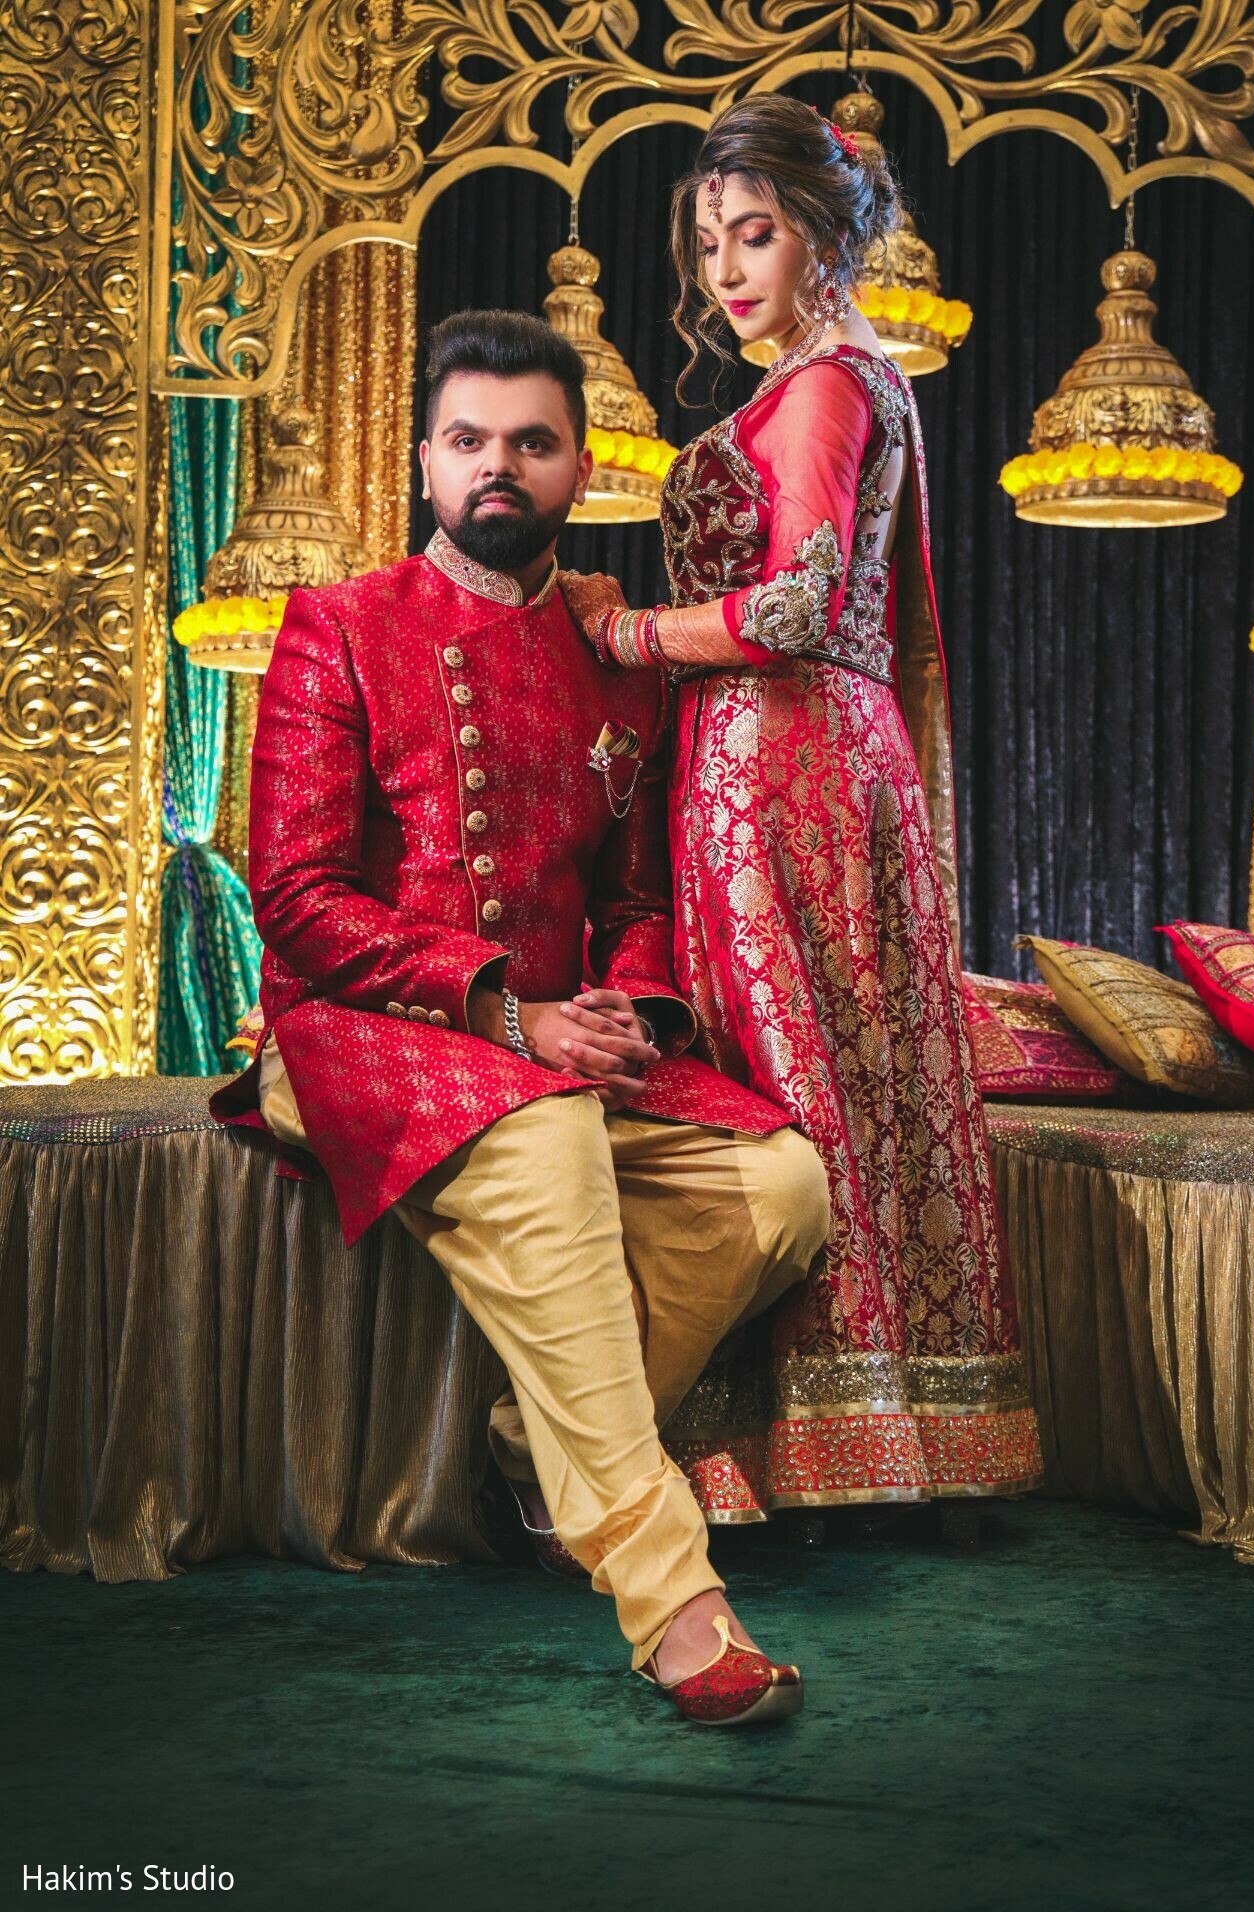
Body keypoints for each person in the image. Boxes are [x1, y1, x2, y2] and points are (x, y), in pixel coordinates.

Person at [208, 309, 831, 1725]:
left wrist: (630, 1002)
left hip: (555, 1043)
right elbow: (294, 896)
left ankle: (526, 1449)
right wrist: (504, 1007)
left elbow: (633, 893)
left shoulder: (619, 650)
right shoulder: (340, 625)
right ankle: (676, 1605)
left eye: (531, 442)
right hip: (360, 1027)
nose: (499, 464)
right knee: (548, 1137)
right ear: (426, 462)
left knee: (781, 1187)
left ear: (576, 466)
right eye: (469, 440)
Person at [575, 97, 1043, 1518]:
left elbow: (796, 605)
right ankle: (858, 1434)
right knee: (824, 1071)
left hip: (781, 760)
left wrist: (624, 634)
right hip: (809, 755)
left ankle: (796, 1443)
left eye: (754, 234)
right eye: (708, 241)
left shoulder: (828, 386)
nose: (724, 268)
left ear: (824, 238)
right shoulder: (844, 378)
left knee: (785, 1081)